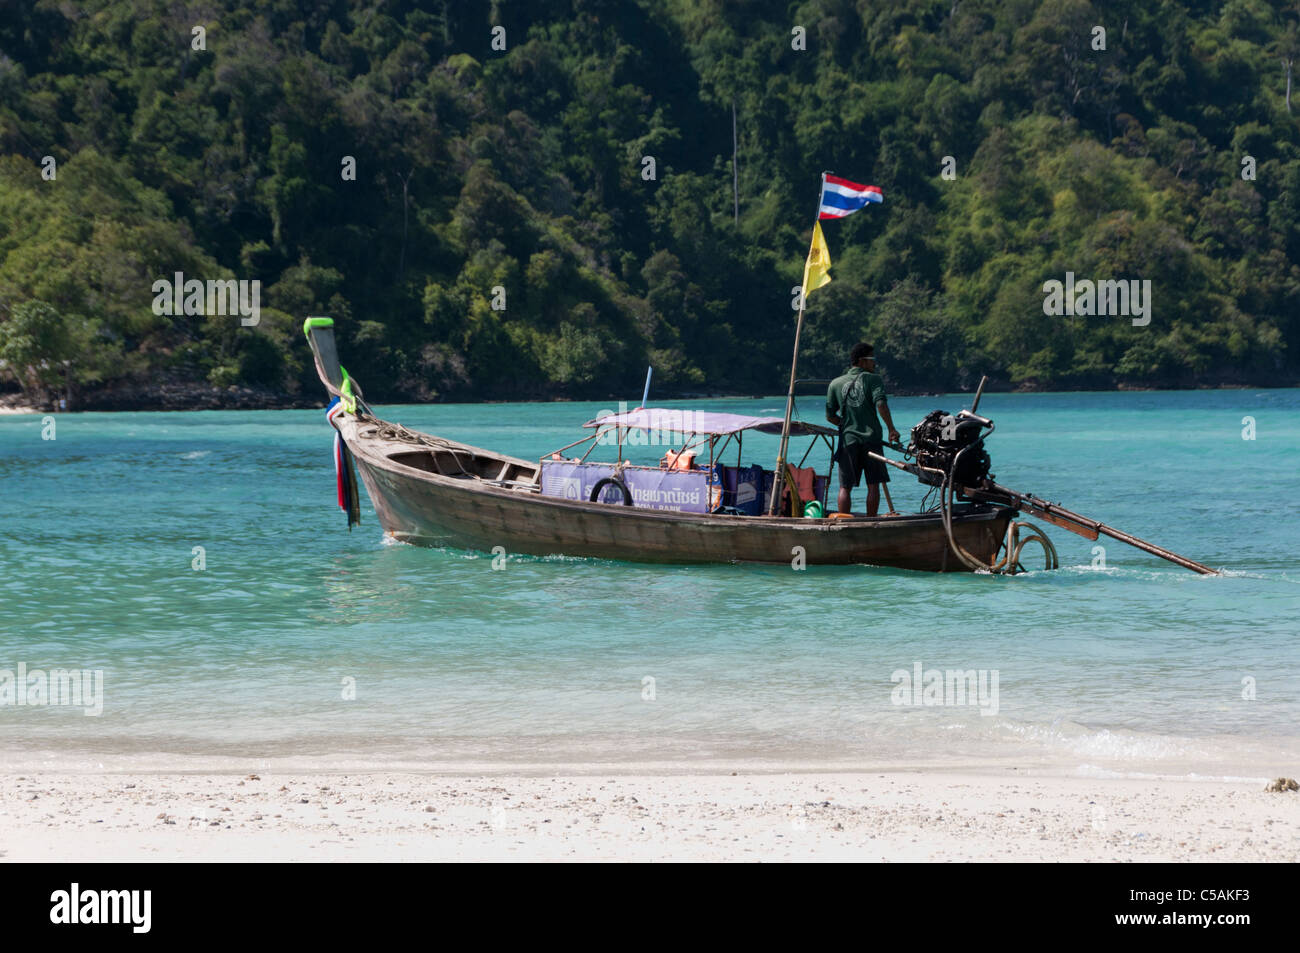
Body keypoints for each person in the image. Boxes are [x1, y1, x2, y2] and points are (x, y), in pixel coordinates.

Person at [826, 342, 900, 516]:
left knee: (845, 487)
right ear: (862, 361)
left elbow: (829, 416)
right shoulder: (873, 379)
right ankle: (870, 521)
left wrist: (845, 425)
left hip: (848, 440)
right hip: (871, 439)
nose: (874, 363)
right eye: (872, 359)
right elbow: (881, 404)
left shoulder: (836, 383)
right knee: (873, 484)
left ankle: (842, 522)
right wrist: (891, 429)